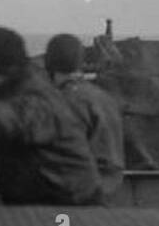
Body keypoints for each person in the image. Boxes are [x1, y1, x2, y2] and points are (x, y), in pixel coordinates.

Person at [0, 26, 102, 206]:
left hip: (68, 213)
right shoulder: (29, 88)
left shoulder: (36, 102)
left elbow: (1, 118)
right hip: (54, 204)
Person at [45, 33, 125, 202]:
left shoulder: (62, 102)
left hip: (73, 200)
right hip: (110, 194)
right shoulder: (106, 98)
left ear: (49, 65)